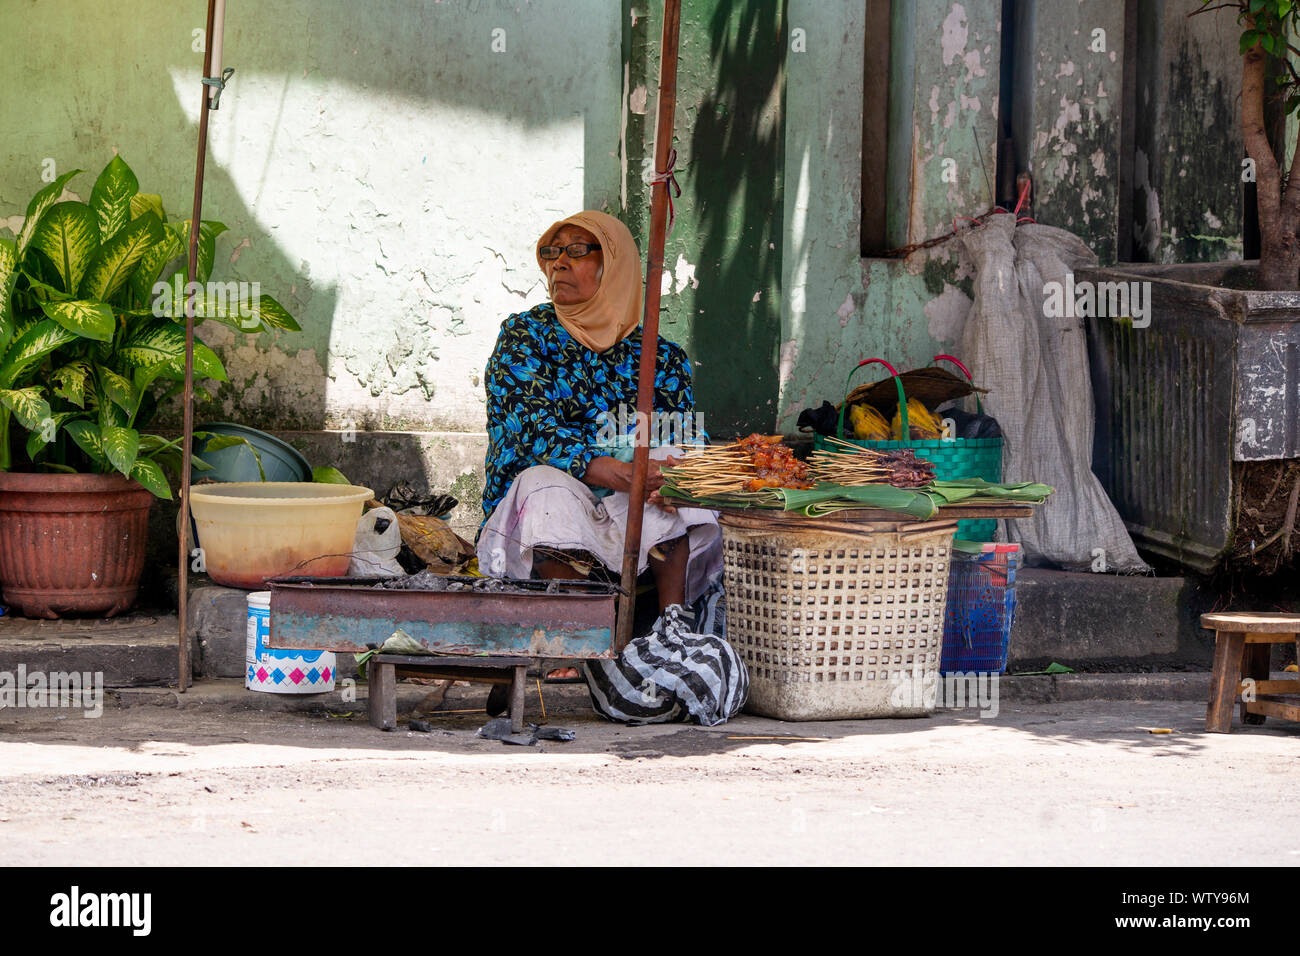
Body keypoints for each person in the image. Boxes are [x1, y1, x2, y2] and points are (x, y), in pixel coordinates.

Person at [477, 210, 722, 621]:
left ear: (615, 266)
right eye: (551, 252)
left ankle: (672, 626)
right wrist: (608, 470)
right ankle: (571, 629)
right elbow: (530, 429)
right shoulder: (526, 336)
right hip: (555, 503)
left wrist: (669, 471)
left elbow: (680, 433)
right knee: (545, 486)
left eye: (577, 251)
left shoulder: (660, 357)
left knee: (682, 471)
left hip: (632, 505)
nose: (560, 262)